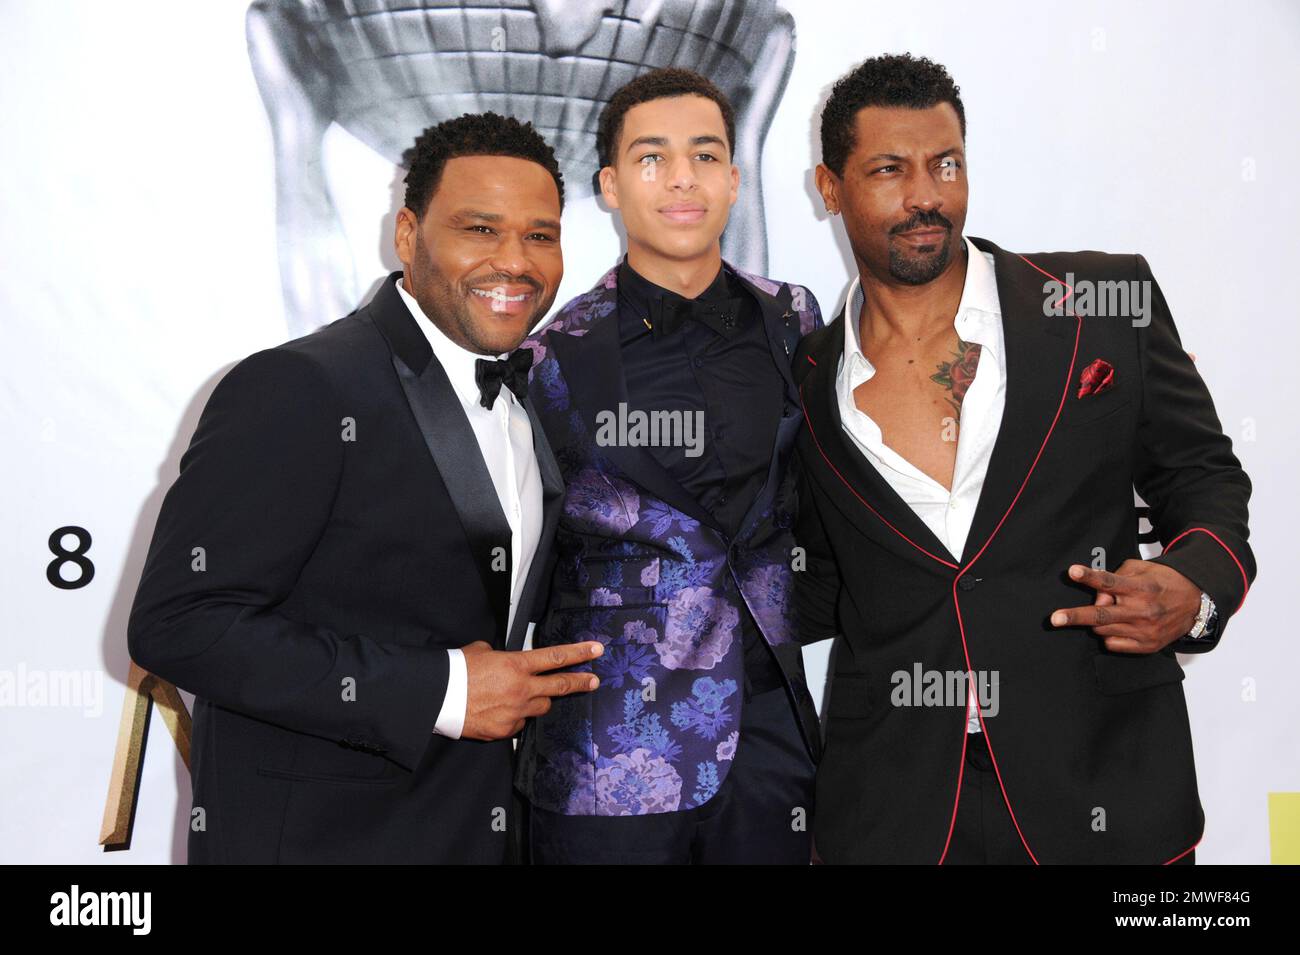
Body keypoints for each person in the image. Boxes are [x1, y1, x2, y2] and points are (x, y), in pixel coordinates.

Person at [794, 54, 1255, 864]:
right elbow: (820, 578)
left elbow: (1204, 478)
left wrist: (1198, 588)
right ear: (830, 189)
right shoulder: (801, 374)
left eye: (946, 164)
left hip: (1102, 782)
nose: (926, 195)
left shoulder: (1098, 303)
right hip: (896, 807)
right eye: (889, 170)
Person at [127, 112, 603, 863]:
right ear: (408, 235)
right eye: (480, 229)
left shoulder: (529, 396)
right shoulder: (300, 386)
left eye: (540, 235)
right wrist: (443, 690)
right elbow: (180, 622)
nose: (516, 260)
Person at [516, 68, 823, 864]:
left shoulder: (795, 321)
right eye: (653, 158)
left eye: (705, 155)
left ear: (733, 177)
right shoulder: (548, 357)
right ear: (611, 186)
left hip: (771, 750)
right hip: (605, 756)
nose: (682, 177)